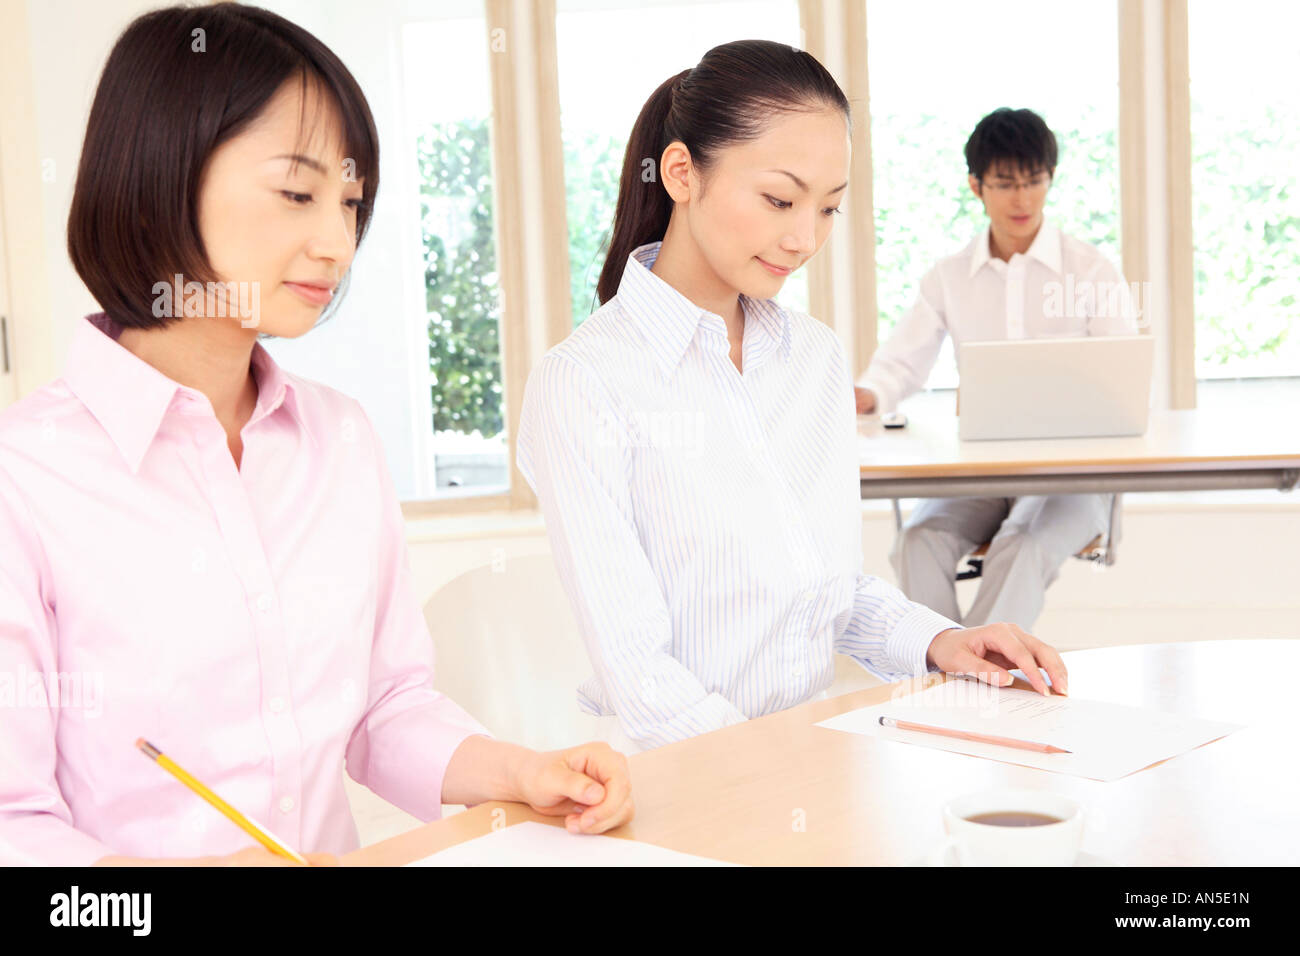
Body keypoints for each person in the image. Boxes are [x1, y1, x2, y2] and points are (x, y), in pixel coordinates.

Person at [0, 3, 631, 867]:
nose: (337, 243)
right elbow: (12, 824)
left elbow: (384, 707)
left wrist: (520, 771)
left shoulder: (337, 439)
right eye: (297, 193)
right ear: (158, 172)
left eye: (350, 201)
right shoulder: (26, 474)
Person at [517, 41, 1068, 756]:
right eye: (779, 199)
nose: (805, 237)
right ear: (682, 173)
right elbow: (640, 674)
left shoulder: (814, 358)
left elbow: (826, 590)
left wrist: (943, 640)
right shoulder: (585, 383)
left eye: (830, 208)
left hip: (810, 760)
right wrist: (776, 776)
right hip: (676, 778)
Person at [855, 107, 1139, 631]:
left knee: (1020, 546)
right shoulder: (949, 277)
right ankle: (951, 683)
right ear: (976, 186)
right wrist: (868, 395)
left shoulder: (1091, 270)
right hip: (983, 475)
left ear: (1050, 179)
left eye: (1034, 181)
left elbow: (1122, 382)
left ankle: (961, 688)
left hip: (1072, 478)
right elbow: (899, 364)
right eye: (1005, 183)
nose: (1022, 198)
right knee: (917, 542)